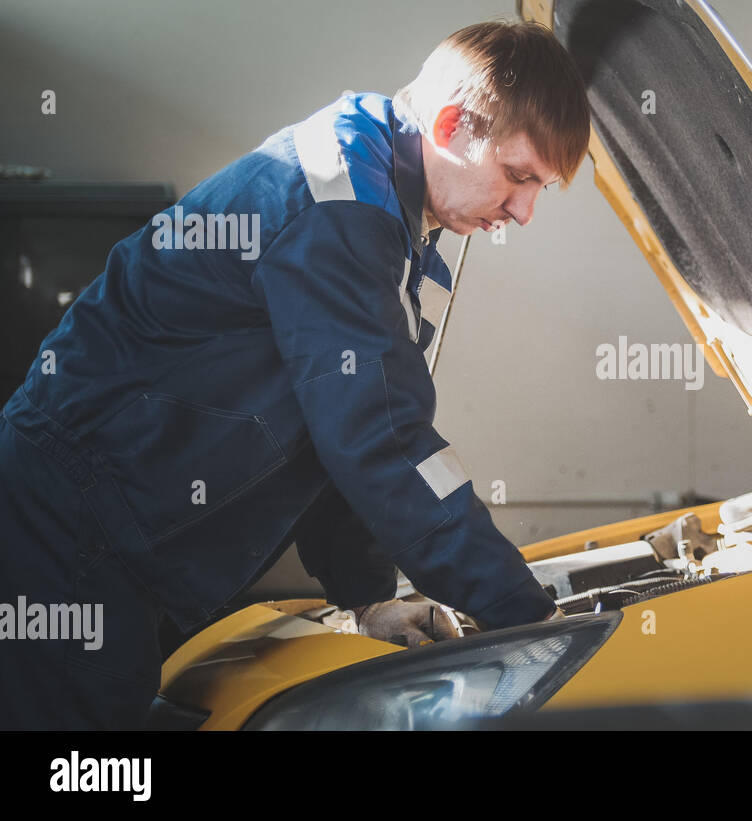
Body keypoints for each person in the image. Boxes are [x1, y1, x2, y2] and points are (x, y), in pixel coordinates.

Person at [0, 20, 590, 730]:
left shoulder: (385, 209)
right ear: (449, 126)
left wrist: (368, 597)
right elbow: (382, 439)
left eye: (540, 189)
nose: (524, 212)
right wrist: (531, 622)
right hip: (67, 522)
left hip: (112, 525)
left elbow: (335, 426)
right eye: (518, 176)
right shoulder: (341, 208)